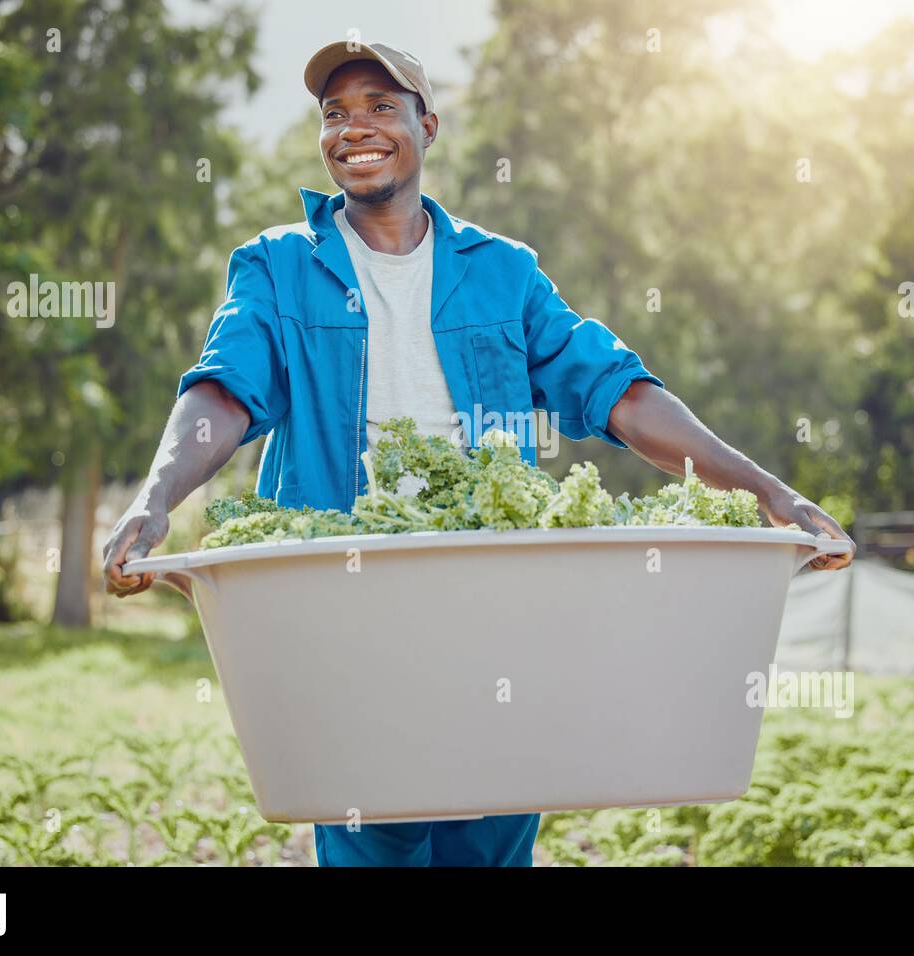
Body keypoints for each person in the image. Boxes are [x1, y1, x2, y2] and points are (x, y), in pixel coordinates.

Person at [103, 40, 854, 867]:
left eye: (381, 107)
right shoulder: (280, 267)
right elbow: (222, 392)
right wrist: (157, 494)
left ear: (427, 127)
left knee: (492, 825)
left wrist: (763, 487)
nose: (355, 127)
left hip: (492, 610)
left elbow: (618, 392)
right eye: (335, 112)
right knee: (370, 819)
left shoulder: (502, 273)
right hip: (346, 612)